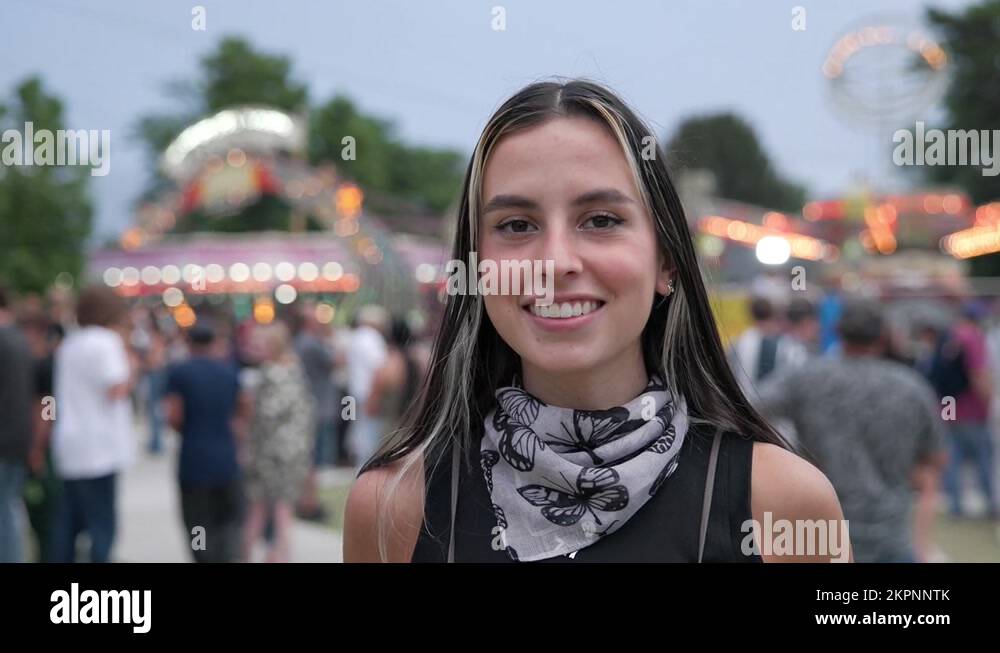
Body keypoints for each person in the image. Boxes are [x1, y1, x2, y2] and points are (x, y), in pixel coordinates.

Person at [344, 79, 847, 563]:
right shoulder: (393, 507)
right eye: (516, 225)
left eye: (601, 220)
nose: (557, 261)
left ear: (666, 261)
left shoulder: (781, 502)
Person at [755, 300, 947, 562]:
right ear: (883, 337)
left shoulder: (805, 378)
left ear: (838, 331)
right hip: (890, 535)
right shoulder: (913, 388)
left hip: (820, 532)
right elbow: (935, 460)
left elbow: (749, 408)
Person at [50, 286, 136, 563]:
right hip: (100, 446)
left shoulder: (70, 343)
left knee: (70, 521)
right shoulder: (106, 341)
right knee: (102, 523)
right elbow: (117, 388)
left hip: (71, 443)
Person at [162, 321, 248, 563]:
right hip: (226, 458)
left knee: (198, 524)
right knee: (228, 522)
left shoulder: (179, 372)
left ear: (189, 343)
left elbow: (174, 416)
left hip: (194, 460)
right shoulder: (229, 372)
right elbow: (243, 410)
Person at [243, 322, 315, 563]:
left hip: (271, 453)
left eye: (259, 343)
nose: (253, 347)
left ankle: (261, 555)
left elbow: (266, 414)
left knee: (263, 509)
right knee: (281, 511)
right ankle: (278, 554)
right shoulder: (295, 370)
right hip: (293, 452)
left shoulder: (271, 373)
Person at [292, 304, 336, 520]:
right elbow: (336, 361)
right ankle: (309, 502)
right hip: (316, 407)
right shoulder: (312, 344)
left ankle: (304, 500)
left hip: (307, 406)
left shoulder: (299, 342)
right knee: (313, 460)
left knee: (307, 458)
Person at [0, 287, 35, 563]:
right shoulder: (19, 339)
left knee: (4, 516)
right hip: (19, 438)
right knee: (9, 510)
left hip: (4, 441)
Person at [345, 306, 388, 468]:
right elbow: (379, 369)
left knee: (357, 430)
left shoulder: (355, 337)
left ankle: (358, 465)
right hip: (367, 392)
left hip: (353, 392)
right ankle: (367, 468)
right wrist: (376, 395)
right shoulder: (372, 338)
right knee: (370, 433)